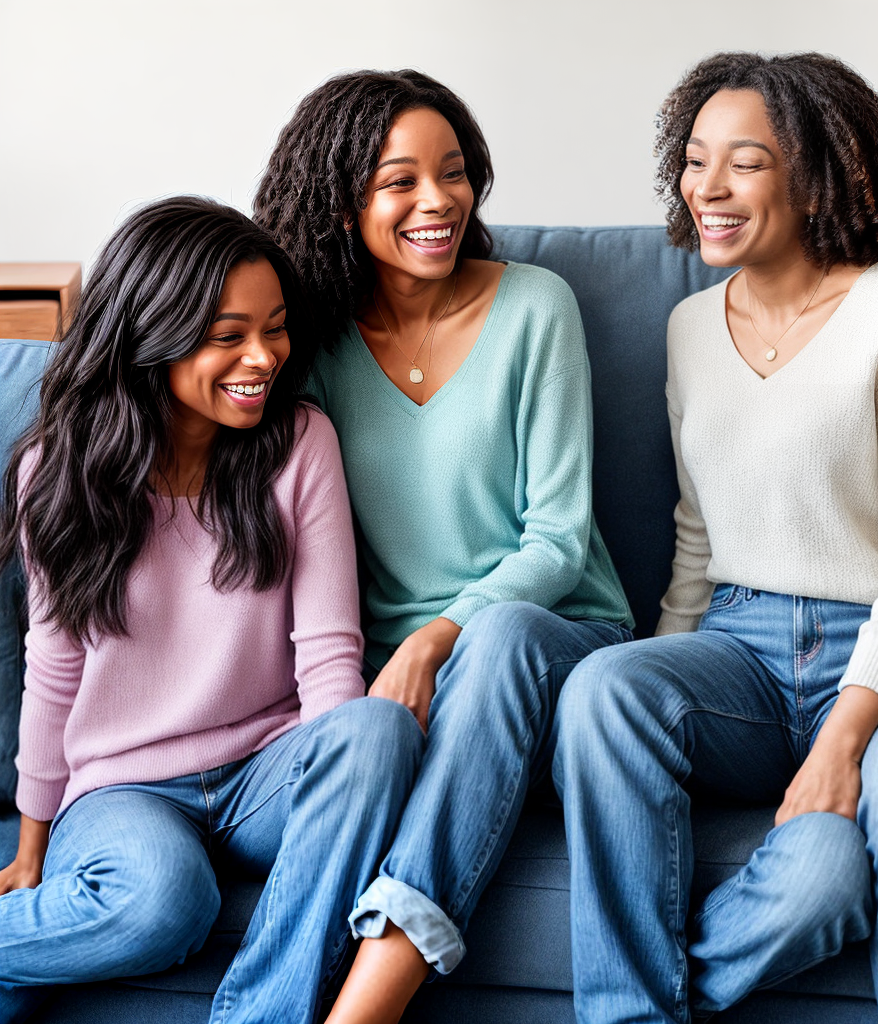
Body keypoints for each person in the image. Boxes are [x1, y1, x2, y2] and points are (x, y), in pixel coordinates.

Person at [553, 51, 878, 1024]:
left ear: (817, 173)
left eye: (745, 162)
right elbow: (695, 536)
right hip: (743, 654)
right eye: (693, 160)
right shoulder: (688, 328)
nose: (706, 188)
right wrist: (670, 671)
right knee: (606, 687)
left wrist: (847, 735)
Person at [254, 69, 634, 1022]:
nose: (439, 202)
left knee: (499, 634)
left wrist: (435, 639)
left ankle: (372, 996)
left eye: (455, 172)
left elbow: (558, 537)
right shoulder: (316, 346)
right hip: (405, 689)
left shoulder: (536, 307)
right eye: (400, 182)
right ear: (342, 204)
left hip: (558, 637)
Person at [0, 196, 424, 1024]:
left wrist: (340, 767)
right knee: (166, 900)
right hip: (124, 789)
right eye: (228, 337)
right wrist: (32, 849)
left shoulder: (301, 443)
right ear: (150, 335)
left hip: (268, 768)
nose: (263, 357)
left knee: (377, 726)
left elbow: (331, 657)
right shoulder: (59, 472)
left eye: (274, 328)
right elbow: (54, 670)